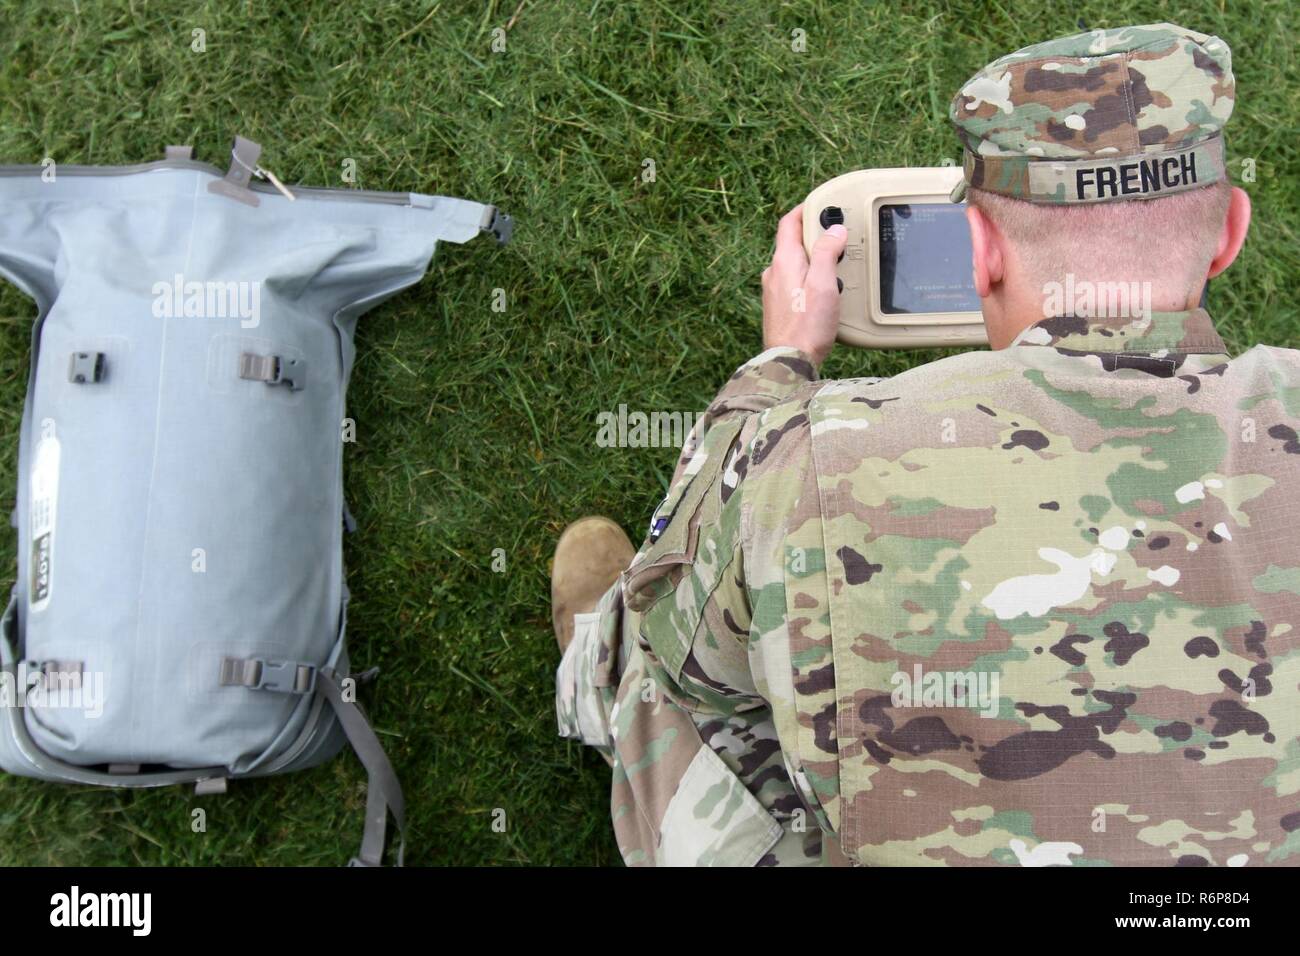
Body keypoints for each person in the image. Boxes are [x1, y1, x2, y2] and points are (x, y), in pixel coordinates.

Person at [553, 22, 1296, 866]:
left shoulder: (819, 457)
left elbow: (686, 645)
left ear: (980, 255)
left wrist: (777, 371)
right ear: (1230, 232)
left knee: (661, 655)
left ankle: (592, 675)